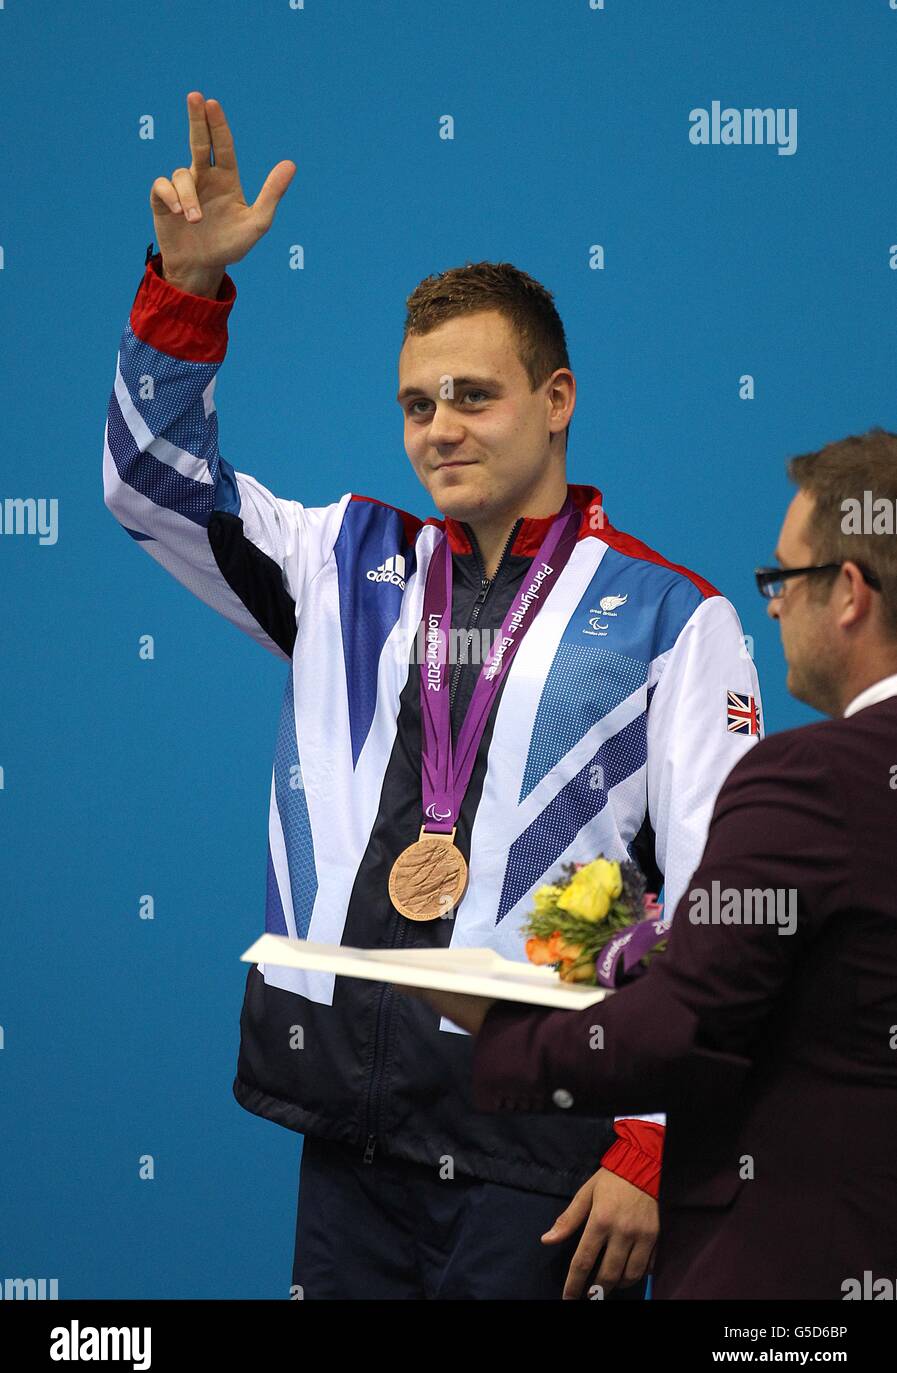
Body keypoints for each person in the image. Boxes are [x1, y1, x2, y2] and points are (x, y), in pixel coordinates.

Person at [102, 91, 762, 1299]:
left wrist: (649, 1142)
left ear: (556, 400)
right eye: (416, 403)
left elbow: (721, 903)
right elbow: (151, 485)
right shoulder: (341, 566)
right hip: (350, 1137)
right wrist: (186, 295)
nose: (439, 428)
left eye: (474, 394)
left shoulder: (676, 619)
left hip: (548, 1160)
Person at [425, 428, 897, 1299]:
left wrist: (494, 1032)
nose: (770, 607)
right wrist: (630, 948)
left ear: (849, 595)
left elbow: (693, 1022)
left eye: (783, 580)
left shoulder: (810, 781)